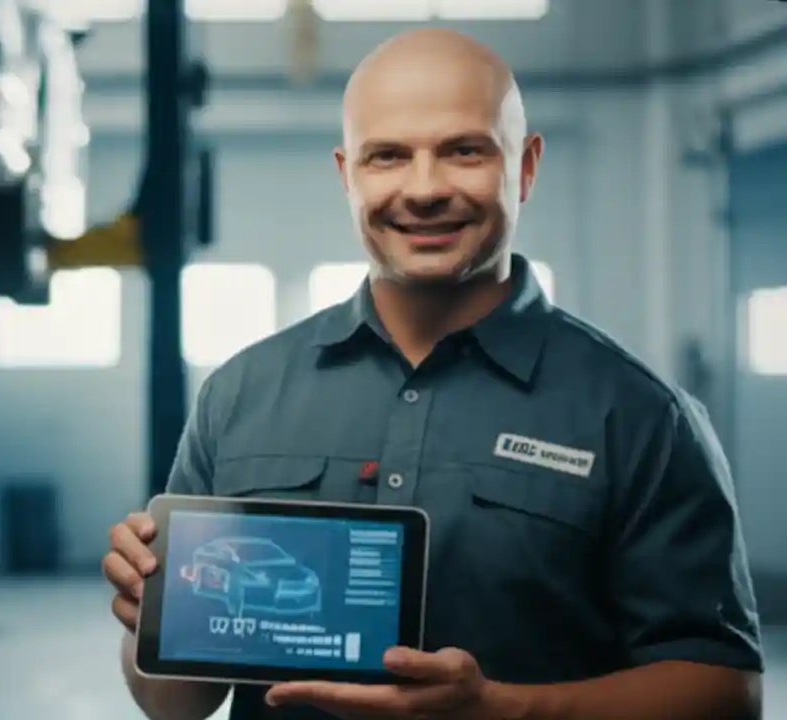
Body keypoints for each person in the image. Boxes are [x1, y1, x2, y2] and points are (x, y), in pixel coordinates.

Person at [102, 27, 765, 720]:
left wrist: (499, 709)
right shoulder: (240, 396)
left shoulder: (638, 416)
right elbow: (175, 702)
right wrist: (146, 619)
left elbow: (725, 694)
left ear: (526, 166)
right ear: (347, 174)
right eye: (387, 156)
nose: (423, 190)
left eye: (464, 150)